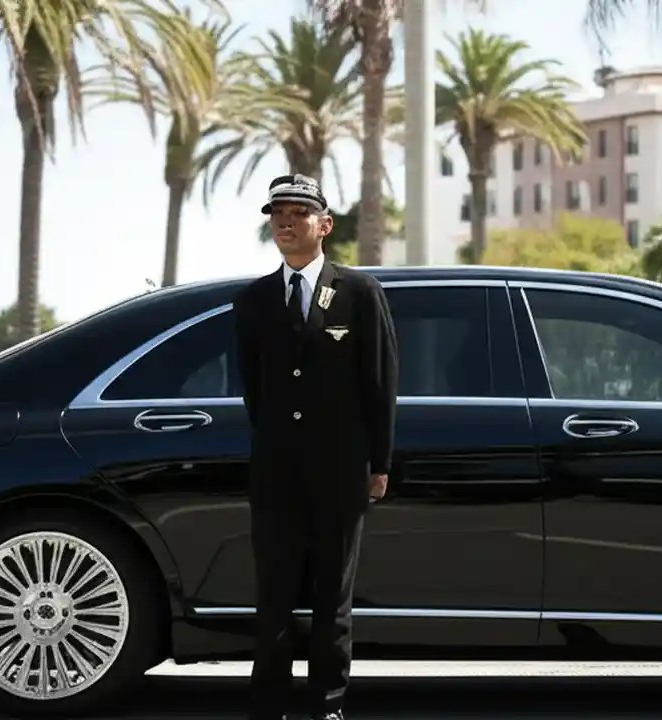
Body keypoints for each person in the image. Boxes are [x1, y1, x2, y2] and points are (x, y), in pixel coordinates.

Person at [233, 173, 399, 720]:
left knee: (333, 596)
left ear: (324, 225)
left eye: (298, 213)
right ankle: (269, 702)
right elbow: (255, 390)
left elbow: (379, 383)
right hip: (277, 473)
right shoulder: (253, 300)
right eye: (277, 214)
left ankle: (327, 703)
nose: (286, 222)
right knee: (274, 594)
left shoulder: (359, 293)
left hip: (340, 471)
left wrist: (379, 462)